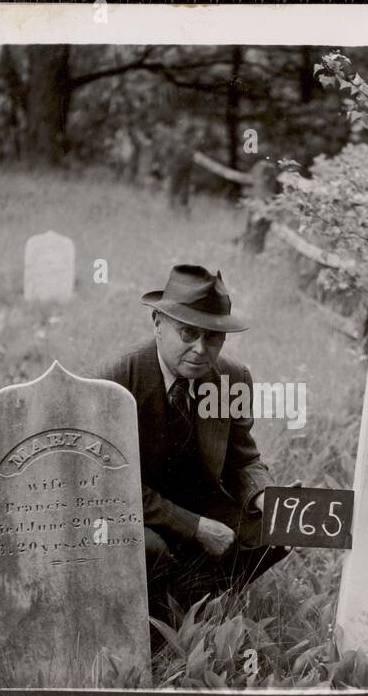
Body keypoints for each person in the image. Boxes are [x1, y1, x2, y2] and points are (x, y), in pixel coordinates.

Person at [96, 264, 293, 630]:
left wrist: (263, 495)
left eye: (214, 337)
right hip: (132, 509)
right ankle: (152, 620)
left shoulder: (232, 378)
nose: (201, 349)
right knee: (149, 551)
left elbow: (242, 458)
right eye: (188, 333)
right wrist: (194, 527)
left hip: (196, 498)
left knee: (278, 527)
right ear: (157, 323)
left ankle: (195, 600)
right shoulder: (115, 381)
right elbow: (107, 484)